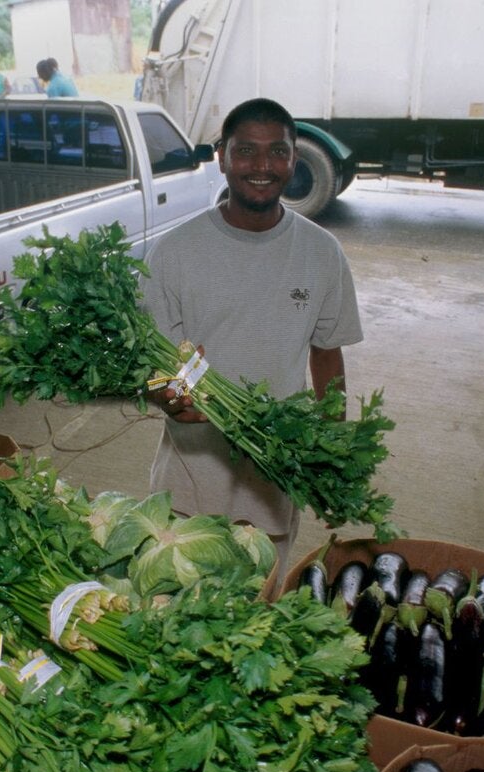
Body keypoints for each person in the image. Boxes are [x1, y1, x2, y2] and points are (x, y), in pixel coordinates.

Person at [139, 97, 363, 580]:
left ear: (294, 160)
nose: (262, 166)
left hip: (274, 478)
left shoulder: (321, 253)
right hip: (190, 480)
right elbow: (154, 369)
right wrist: (168, 396)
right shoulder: (174, 253)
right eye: (246, 151)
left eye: (277, 152)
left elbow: (327, 355)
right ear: (222, 157)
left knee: (261, 614)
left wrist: (331, 450)